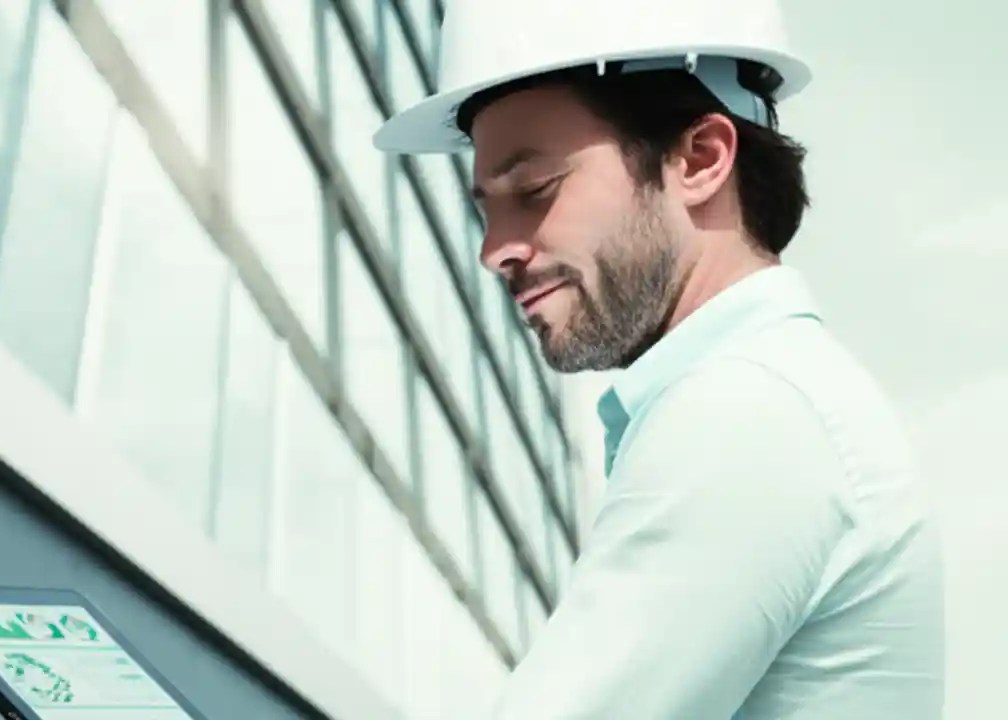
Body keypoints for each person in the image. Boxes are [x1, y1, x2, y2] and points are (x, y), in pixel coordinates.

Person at [374, 1, 944, 718]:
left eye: (534, 191)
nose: (496, 250)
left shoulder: (745, 415)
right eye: (487, 209)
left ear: (698, 159)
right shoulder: (777, 395)